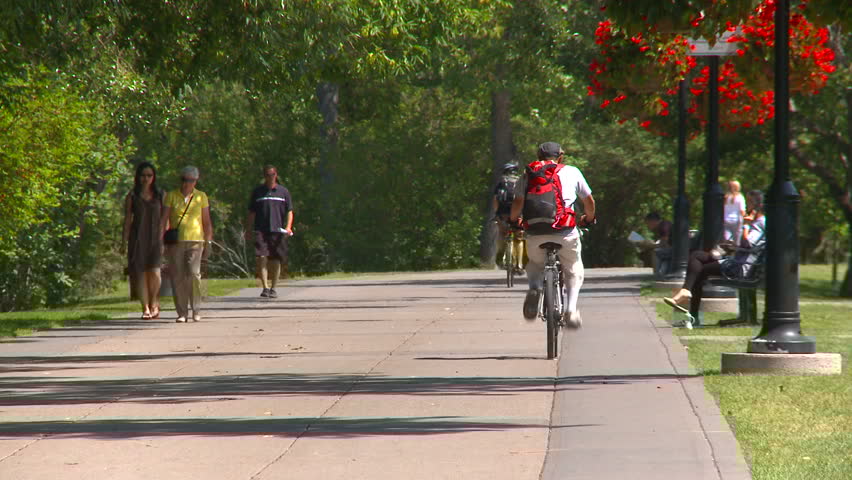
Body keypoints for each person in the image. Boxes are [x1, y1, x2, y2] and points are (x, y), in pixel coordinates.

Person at [509, 142, 595, 328]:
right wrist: (588, 218)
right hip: (565, 231)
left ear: (538, 156)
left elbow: (517, 203)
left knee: (535, 264)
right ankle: (571, 310)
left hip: (535, 232)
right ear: (560, 157)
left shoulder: (528, 174)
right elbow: (588, 200)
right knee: (573, 268)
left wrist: (514, 221)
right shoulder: (572, 171)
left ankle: (535, 288)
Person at [664, 190, 766, 318]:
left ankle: (691, 309)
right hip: (738, 261)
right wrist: (727, 247)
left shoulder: (760, 222)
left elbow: (747, 243)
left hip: (740, 267)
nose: (746, 206)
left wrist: (745, 226)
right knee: (696, 256)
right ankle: (686, 295)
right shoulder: (756, 221)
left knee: (699, 269)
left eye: (749, 202)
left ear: (756, 204)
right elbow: (743, 245)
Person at [160, 166, 213, 323]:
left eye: (189, 180)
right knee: (178, 276)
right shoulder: (171, 196)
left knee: (193, 274)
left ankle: (196, 309)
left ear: (195, 181)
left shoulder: (201, 196)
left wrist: (208, 241)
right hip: (176, 242)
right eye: (183, 179)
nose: (186, 184)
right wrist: (162, 241)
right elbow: (164, 220)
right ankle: (182, 312)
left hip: (196, 240)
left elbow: (207, 221)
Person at [121, 162, 164, 320]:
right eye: (143, 175)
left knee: (154, 272)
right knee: (140, 273)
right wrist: (123, 241)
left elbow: (166, 218)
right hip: (138, 238)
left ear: (154, 177)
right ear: (138, 177)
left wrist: (164, 237)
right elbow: (127, 219)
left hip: (156, 239)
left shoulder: (160, 195)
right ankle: (145, 307)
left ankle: (154, 302)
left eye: (149, 175)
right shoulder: (132, 196)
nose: (146, 178)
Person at [245, 165, 294, 298]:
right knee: (261, 257)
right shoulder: (258, 192)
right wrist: (248, 229)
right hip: (261, 229)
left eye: (272, 174)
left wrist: (288, 226)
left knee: (275, 260)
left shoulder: (283, 191)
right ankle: (265, 287)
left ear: (276, 175)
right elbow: (251, 212)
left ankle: (273, 288)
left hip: (277, 230)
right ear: (264, 176)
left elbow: (290, 211)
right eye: (267, 175)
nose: (270, 177)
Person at [492, 163, 524, 273]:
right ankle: (519, 265)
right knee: (519, 237)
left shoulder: (501, 184)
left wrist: (496, 213)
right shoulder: (521, 183)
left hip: (503, 214)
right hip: (518, 214)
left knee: (501, 233)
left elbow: (496, 200)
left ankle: (499, 257)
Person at [644, 212, 673, 278]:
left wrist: (650, 245)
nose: (647, 226)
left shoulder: (663, 227)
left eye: (647, 223)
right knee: (662, 254)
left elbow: (664, 245)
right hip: (676, 249)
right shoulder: (664, 224)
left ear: (653, 221)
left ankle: (656, 275)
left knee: (655, 252)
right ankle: (662, 274)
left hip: (677, 250)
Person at [723, 180, 746, 246]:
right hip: (737, 221)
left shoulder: (725, 197)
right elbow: (742, 210)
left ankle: (727, 253)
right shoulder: (740, 197)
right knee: (736, 242)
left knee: (726, 240)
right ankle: (735, 254)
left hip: (725, 220)